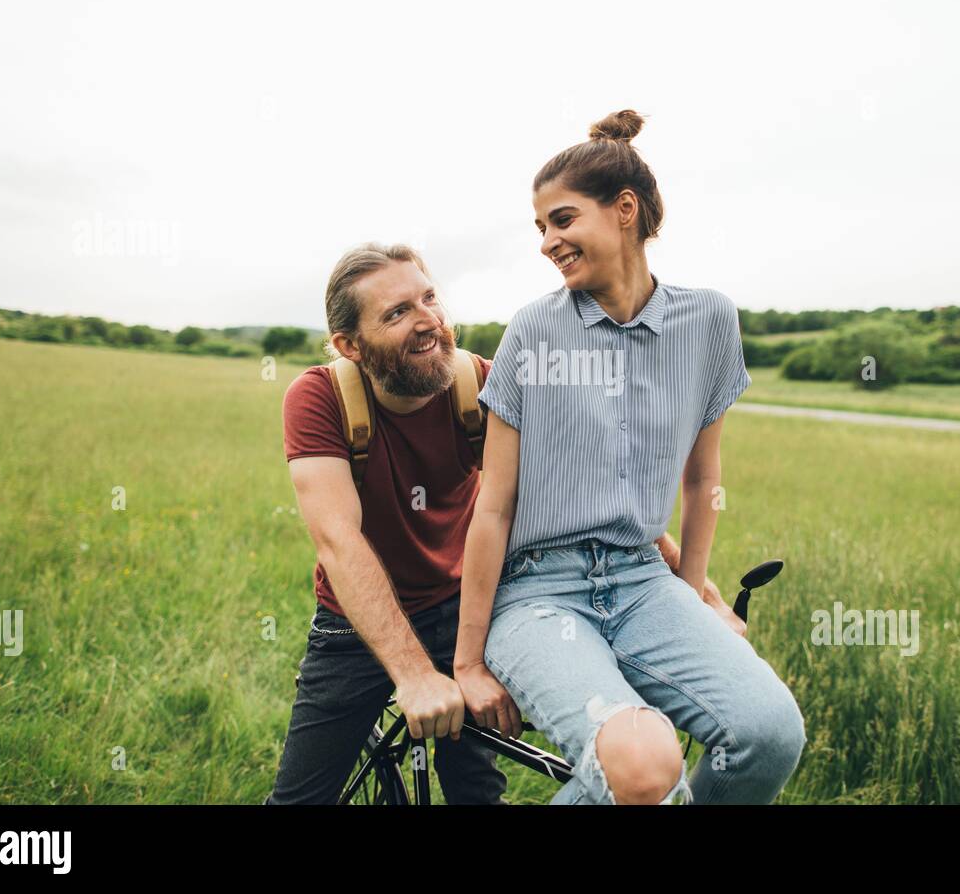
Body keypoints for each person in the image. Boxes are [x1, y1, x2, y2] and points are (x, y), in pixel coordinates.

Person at [454, 110, 807, 804]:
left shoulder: (708, 320)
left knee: (770, 734)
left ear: (624, 210)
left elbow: (703, 478)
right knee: (646, 769)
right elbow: (494, 505)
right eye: (541, 229)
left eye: (562, 220)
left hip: (646, 581)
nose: (549, 243)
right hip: (537, 593)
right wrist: (468, 661)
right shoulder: (534, 330)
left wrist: (693, 590)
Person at [266, 243, 507, 804]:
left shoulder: (481, 385)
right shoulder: (320, 397)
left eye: (429, 298)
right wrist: (415, 674)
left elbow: (570, 488)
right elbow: (337, 540)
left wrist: (682, 577)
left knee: (479, 793)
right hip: (354, 619)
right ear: (350, 346)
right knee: (301, 800)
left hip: (460, 607)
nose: (429, 323)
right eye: (397, 313)